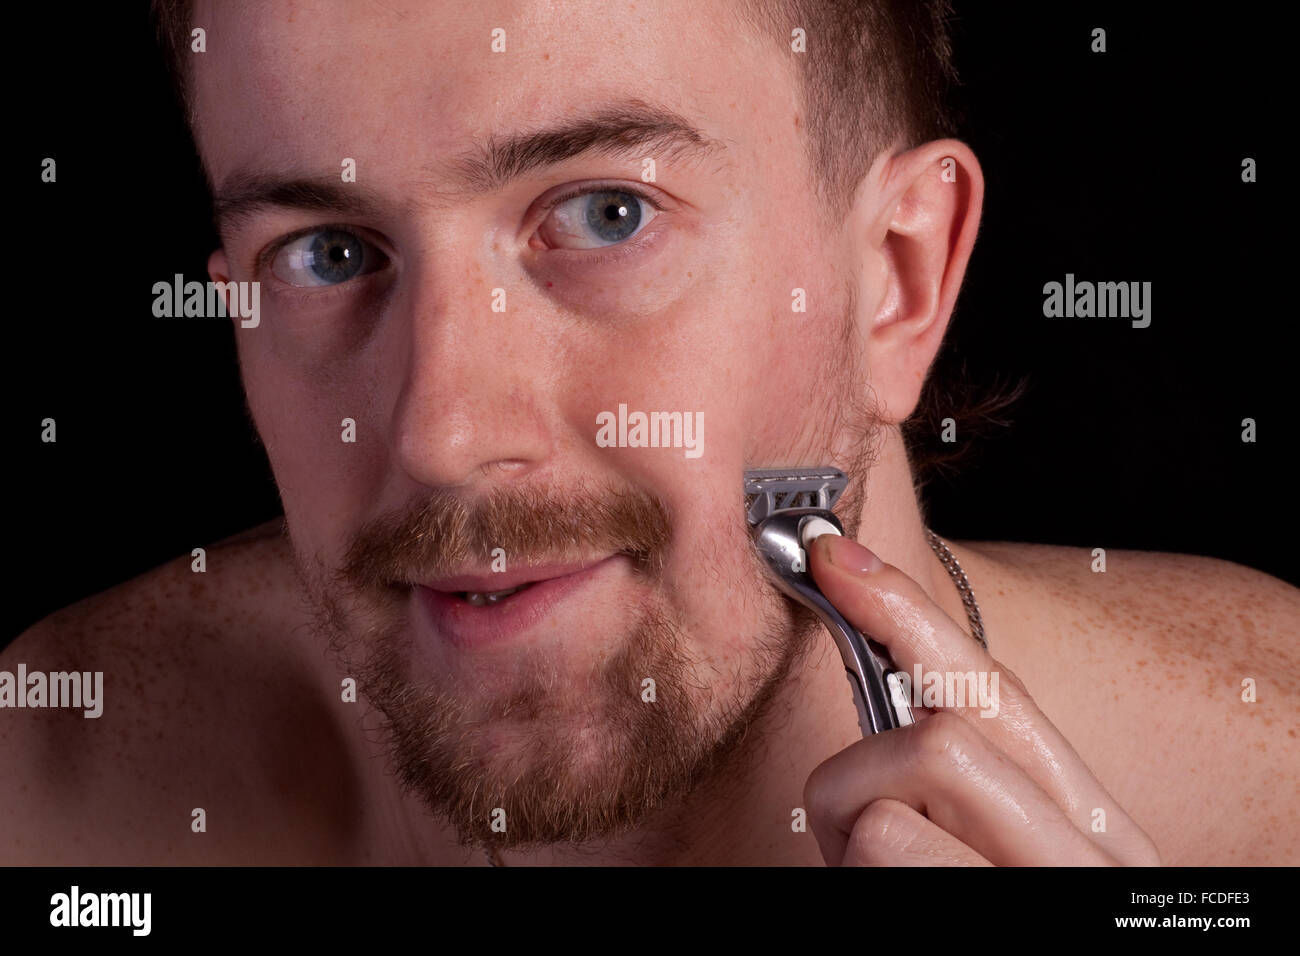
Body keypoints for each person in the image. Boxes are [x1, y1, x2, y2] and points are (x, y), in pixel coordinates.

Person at [1, 0, 1294, 865]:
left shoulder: (1269, 790)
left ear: (896, 280)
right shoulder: (54, 785)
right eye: (328, 253)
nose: (442, 432)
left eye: (607, 214)